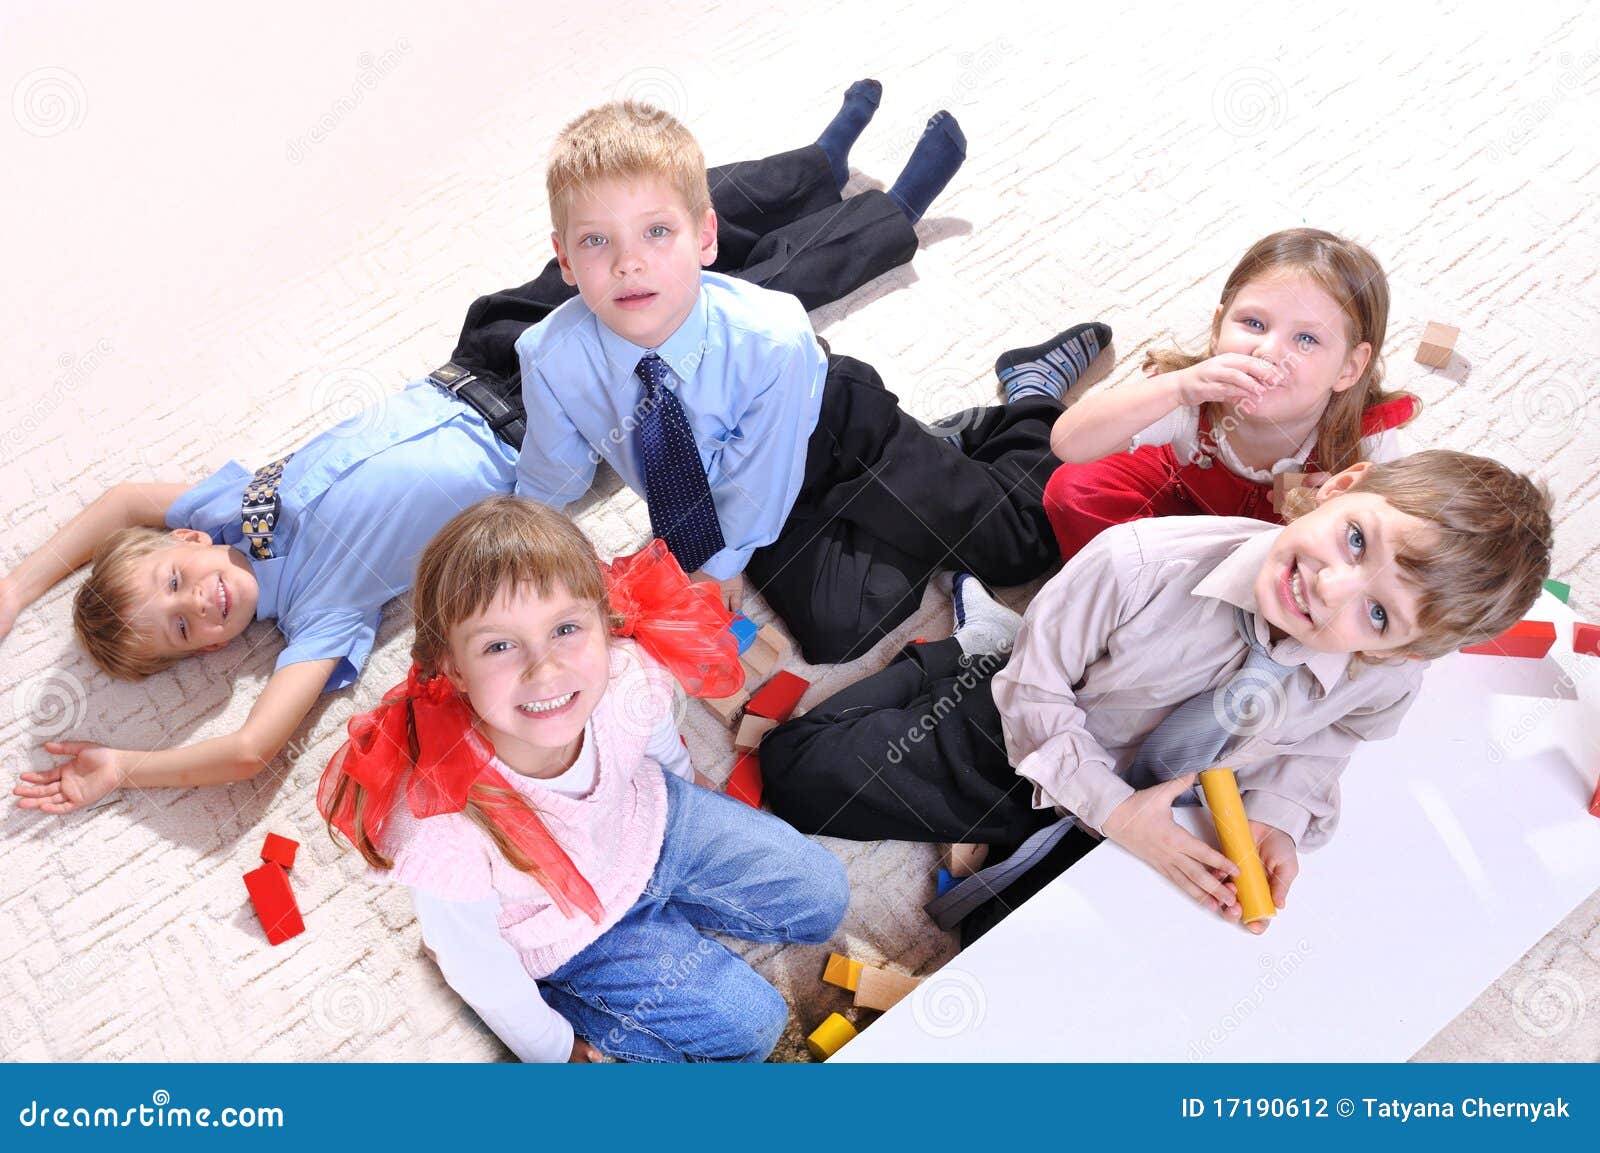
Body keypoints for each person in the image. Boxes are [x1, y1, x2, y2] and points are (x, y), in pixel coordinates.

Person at [758, 451, 1553, 939]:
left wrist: (1274, 816)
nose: (1331, 586)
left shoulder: (1386, 676)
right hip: (1022, 730)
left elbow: (1327, 739)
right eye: (1355, 539)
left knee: (1034, 940)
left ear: (1404, 647)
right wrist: (1112, 811)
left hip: (1161, 796)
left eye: (1376, 611)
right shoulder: (1138, 562)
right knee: (799, 780)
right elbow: (1035, 695)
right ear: (1342, 486)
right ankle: (961, 653)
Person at [515, 98, 1112, 662]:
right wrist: (528, 558)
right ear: (564, 258)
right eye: (596, 240)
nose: (628, 262)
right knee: (839, 630)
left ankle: (1030, 398)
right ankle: (942, 452)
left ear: (704, 236)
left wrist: (714, 569)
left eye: (656, 231)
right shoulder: (548, 356)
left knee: (1021, 547)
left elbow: (760, 482)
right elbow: (550, 475)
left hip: (835, 432)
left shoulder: (771, 337)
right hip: (730, 491)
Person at [317, 495, 848, 1062]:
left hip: (651, 823)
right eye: (499, 645)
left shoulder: (623, 674)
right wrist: (556, 1050)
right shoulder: (444, 821)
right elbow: (480, 966)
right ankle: (579, 1000)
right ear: (451, 668)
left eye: (566, 628)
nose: (544, 669)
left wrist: (705, 817)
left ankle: (679, 907)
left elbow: (661, 748)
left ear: (604, 622)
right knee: (750, 1029)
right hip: (562, 926)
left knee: (822, 896)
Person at [1022, 228, 1419, 560]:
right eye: (1254, 323)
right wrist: (1176, 387)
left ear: (1349, 367)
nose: (1269, 351)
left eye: (1306, 338)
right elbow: (1068, 443)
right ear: (1217, 330)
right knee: (1073, 489)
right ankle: (1133, 590)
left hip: (1273, 547)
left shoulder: (1367, 438)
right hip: (1175, 503)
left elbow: (1399, 533)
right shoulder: (1190, 398)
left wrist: (1343, 512)